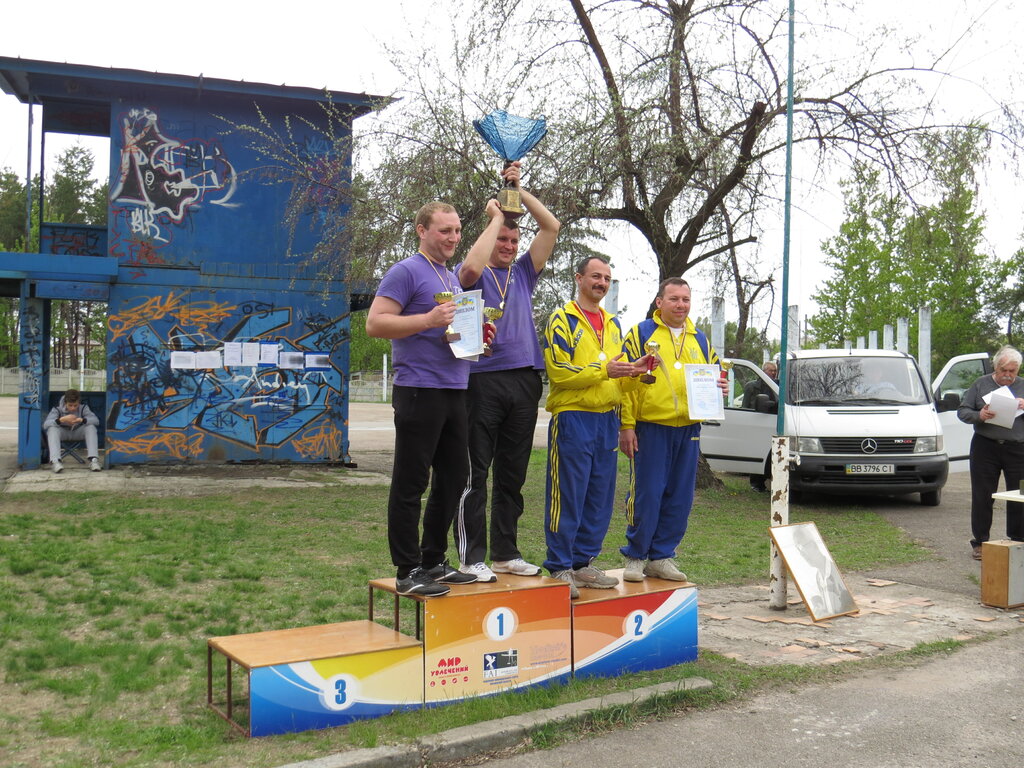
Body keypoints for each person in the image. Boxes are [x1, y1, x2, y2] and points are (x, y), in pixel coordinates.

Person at [366, 198, 505, 596]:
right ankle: (407, 569)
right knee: (411, 481)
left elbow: (452, 335)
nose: (453, 237)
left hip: (455, 389)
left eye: (457, 230)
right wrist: (427, 320)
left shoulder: (449, 278)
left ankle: (433, 559)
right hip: (418, 390)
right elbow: (376, 323)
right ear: (422, 231)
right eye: (445, 230)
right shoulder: (406, 271)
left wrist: (479, 340)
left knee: (454, 477)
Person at [453, 162, 561, 583]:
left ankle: (505, 552)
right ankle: (471, 557)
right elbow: (468, 271)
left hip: (525, 378)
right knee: (475, 472)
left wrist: (520, 190)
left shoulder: (523, 273)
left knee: (512, 473)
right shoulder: (476, 273)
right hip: (482, 378)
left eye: (515, 239)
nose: (510, 245)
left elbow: (550, 227)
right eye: (503, 239)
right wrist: (497, 215)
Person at [542, 256, 649, 598]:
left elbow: (619, 382)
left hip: (607, 420)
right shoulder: (562, 320)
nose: (601, 283)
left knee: (599, 498)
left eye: (606, 278)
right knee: (567, 495)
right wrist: (606, 372)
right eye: (595, 276)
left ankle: (582, 563)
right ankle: (559, 566)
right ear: (579, 278)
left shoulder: (614, 325)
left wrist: (639, 373)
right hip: (573, 417)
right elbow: (559, 372)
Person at [618, 278, 726, 583]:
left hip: (688, 428)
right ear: (659, 302)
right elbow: (625, 384)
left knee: (680, 497)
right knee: (647, 494)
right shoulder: (641, 334)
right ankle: (636, 556)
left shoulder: (700, 339)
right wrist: (627, 425)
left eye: (686, 300)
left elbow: (716, 374)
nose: (681, 305)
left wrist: (721, 386)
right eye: (674, 299)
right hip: (651, 426)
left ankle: (662, 556)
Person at [957, 345, 1024, 561]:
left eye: (1012, 371)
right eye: (1003, 370)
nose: (1007, 375)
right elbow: (963, 411)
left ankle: (1018, 540)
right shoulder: (980, 384)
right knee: (983, 495)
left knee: (1020, 495)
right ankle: (981, 543)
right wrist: (980, 415)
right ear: (995, 366)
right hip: (985, 446)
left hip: (1018, 449)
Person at [44, 389, 101, 473]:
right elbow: (46, 424)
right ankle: (55, 462)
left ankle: (94, 460)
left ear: (79, 402)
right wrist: (61, 420)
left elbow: (96, 421)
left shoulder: (83, 408)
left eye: (75, 405)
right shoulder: (57, 410)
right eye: (70, 405)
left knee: (91, 427)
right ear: (65, 402)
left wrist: (82, 420)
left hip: (77, 432)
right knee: (52, 429)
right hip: (63, 432)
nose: (73, 408)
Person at [742, 360, 779, 492]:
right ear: (763, 371)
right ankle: (756, 483)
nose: (774, 373)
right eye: (771, 370)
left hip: (772, 422)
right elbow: (745, 406)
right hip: (756, 422)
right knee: (757, 452)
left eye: (775, 371)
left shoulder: (778, 385)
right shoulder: (752, 386)